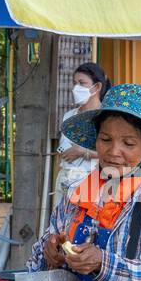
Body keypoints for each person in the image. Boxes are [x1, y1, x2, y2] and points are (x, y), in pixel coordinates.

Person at [29, 83, 141, 281]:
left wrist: (104, 264)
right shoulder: (79, 191)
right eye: (105, 139)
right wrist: (50, 253)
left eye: (129, 143)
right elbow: (34, 262)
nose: (114, 151)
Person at [53, 62, 109, 205]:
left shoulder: (107, 117)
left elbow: (112, 153)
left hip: (92, 181)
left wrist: (82, 151)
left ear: (96, 87)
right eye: (75, 83)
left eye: (82, 83)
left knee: (84, 224)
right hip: (65, 180)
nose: (76, 88)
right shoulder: (69, 116)